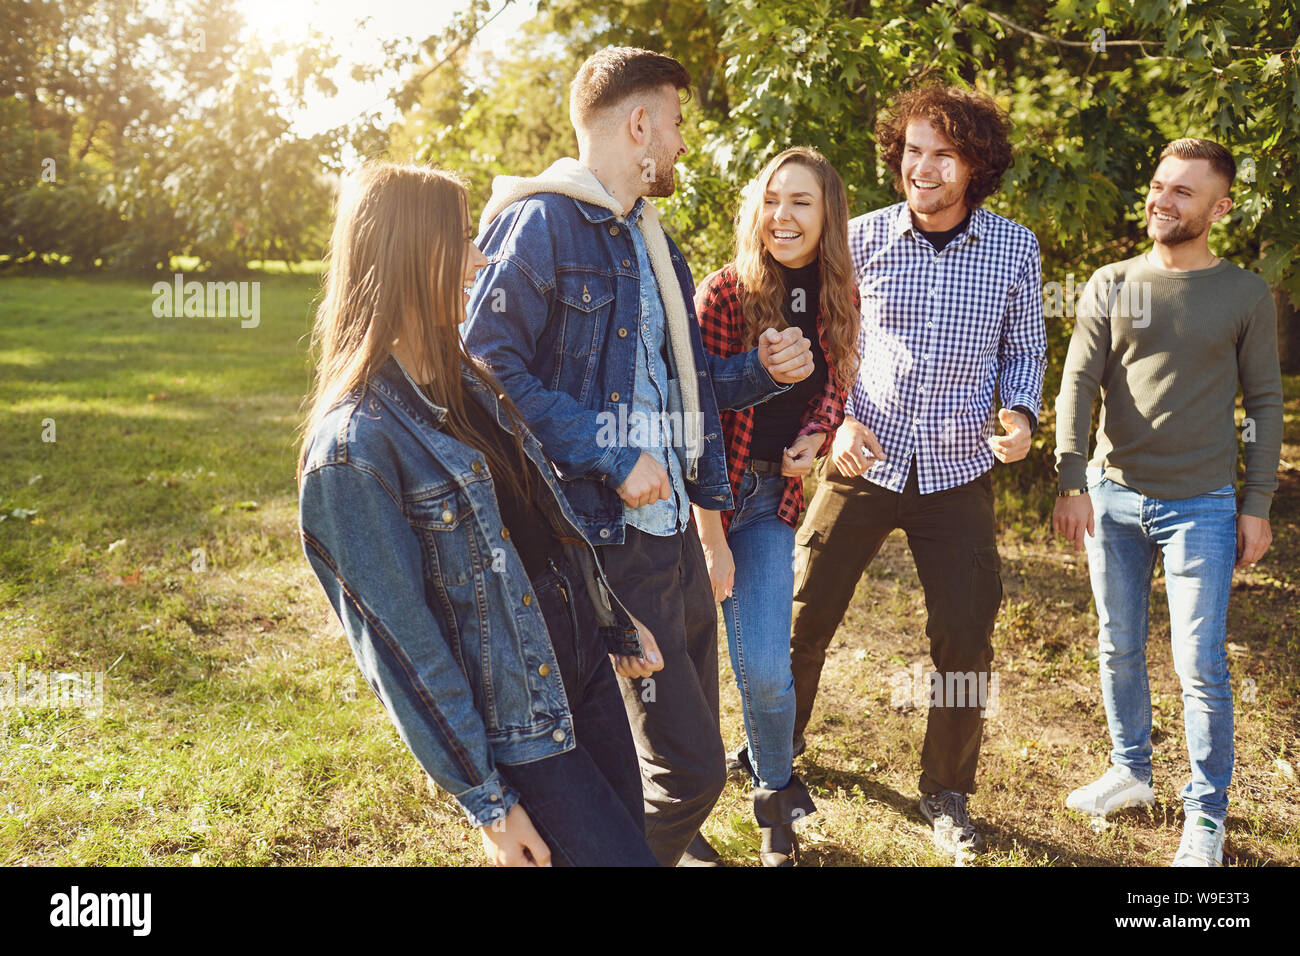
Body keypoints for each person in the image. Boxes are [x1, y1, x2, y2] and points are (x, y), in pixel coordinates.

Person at [464, 47, 814, 867]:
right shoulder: (541, 222)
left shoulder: (649, 240)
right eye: (679, 124)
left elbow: (684, 388)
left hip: (675, 532)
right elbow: (482, 360)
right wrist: (609, 455)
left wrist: (761, 372)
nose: (685, 144)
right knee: (692, 772)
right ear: (639, 124)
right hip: (605, 537)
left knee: (663, 752)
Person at [297, 161, 659, 867]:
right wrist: (489, 804)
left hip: (580, 662)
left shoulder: (464, 376)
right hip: (519, 717)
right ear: (409, 253)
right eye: (462, 239)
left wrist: (607, 615)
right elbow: (403, 650)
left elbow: (536, 525)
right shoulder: (353, 449)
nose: (481, 257)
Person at [789, 85, 1046, 859]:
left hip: (958, 472)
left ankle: (947, 790)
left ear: (975, 165)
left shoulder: (1015, 249)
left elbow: (1023, 350)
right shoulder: (858, 237)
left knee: (965, 640)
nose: (923, 167)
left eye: (943, 153)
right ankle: (775, 756)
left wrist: (1024, 417)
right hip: (861, 458)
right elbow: (829, 339)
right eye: (912, 151)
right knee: (800, 615)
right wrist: (836, 420)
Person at [1053, 138, 1282, 867]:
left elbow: (1267, 404)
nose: (1163, 200)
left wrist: (1258, 503)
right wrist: (1071, 481)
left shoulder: (1245, 293)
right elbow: (1077, 384)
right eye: (1159, 185)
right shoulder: (1112, 281)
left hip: (1204, 506)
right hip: (1114, 496)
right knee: (1117, 645)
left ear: (1220, 207)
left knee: (1199, 663)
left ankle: (1206, 816)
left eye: (1184, 191)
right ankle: (1130, 771)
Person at [693, 146, 860, 865]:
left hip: (769, 500)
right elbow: (694, 418)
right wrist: (708, 537)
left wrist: (819, 433)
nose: (782, 216)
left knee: (763, 667)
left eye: (801, 202)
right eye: (771, 200)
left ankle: (774, 795)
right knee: (685, 668)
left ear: (828, 216)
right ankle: (673, 809)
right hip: (699, 504)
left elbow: (838, 379)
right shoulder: (725, 294)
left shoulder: (837, 294)